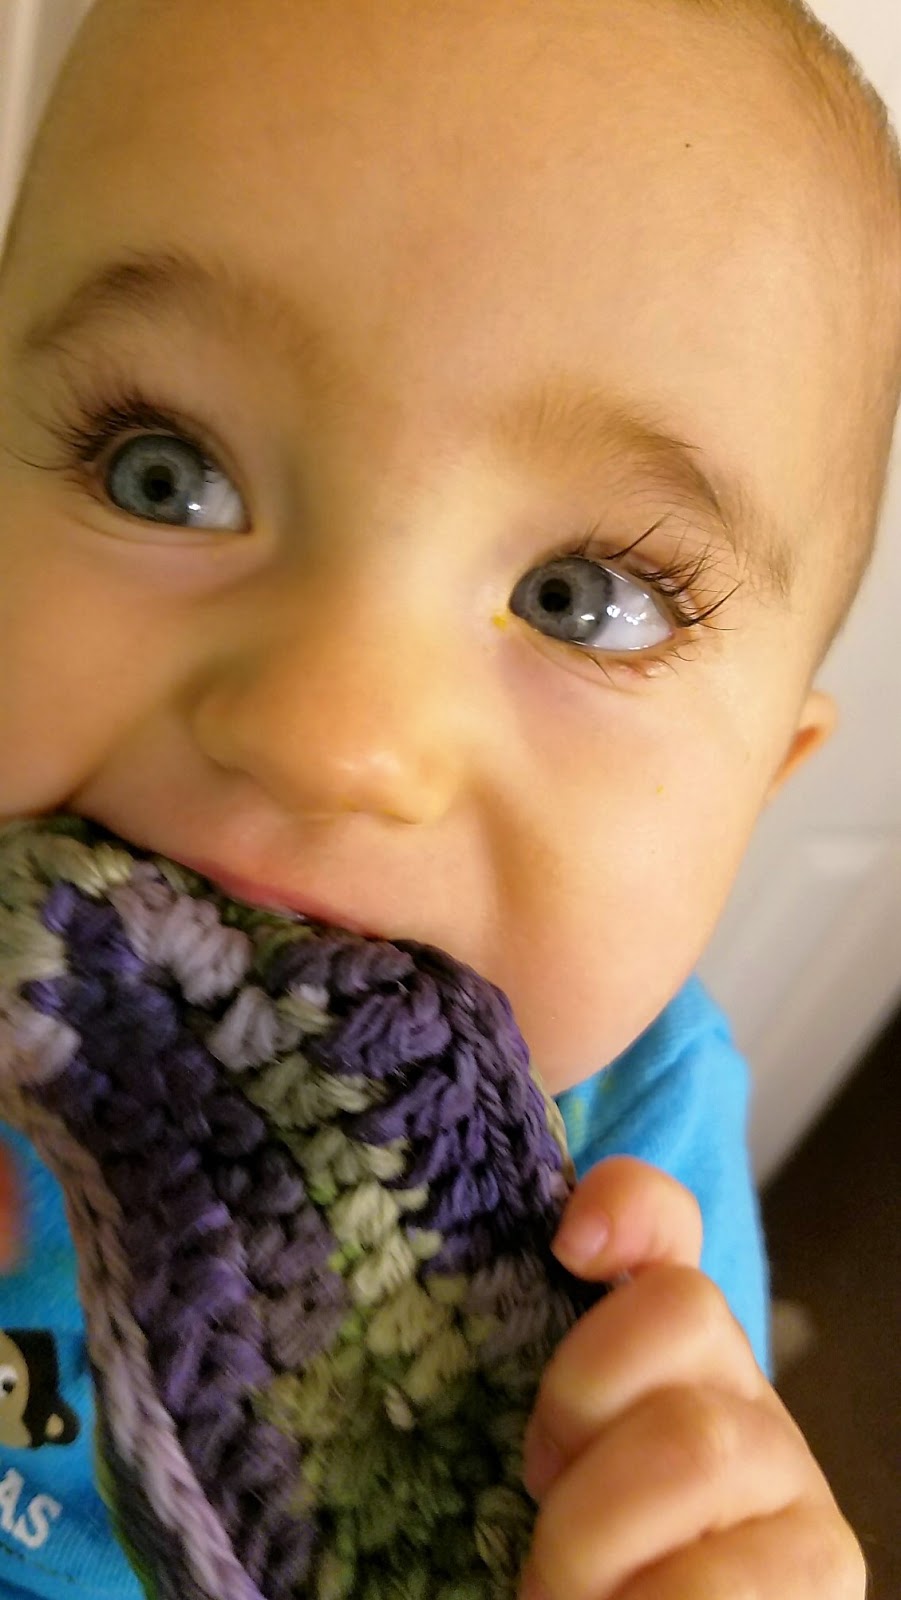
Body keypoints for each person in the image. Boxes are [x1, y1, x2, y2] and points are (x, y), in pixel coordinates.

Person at [0, 0, 898, 1595]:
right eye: (165, 469)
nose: (328, 734)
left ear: (760, 795)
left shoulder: (631, 1176)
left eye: (580, 598)